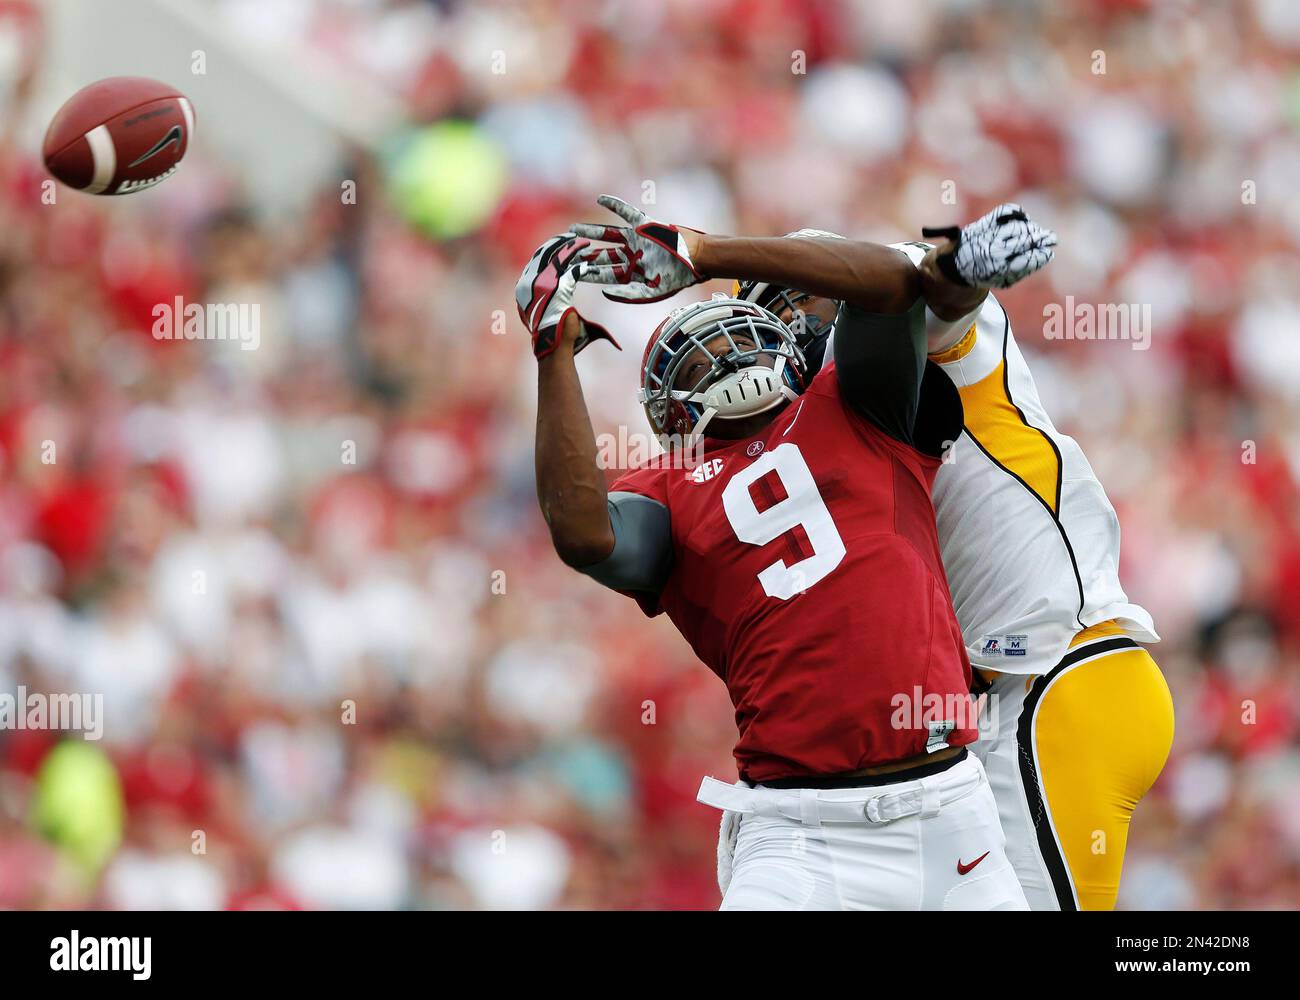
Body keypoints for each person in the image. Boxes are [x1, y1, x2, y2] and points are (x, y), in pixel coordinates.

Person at [572, 197, 1172, 911]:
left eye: (788, 312)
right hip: (1013, 699)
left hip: (1049, 678)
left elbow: (938, 294)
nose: (782, 341)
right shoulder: (820, 415)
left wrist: (958, 265)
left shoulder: (881, 344)